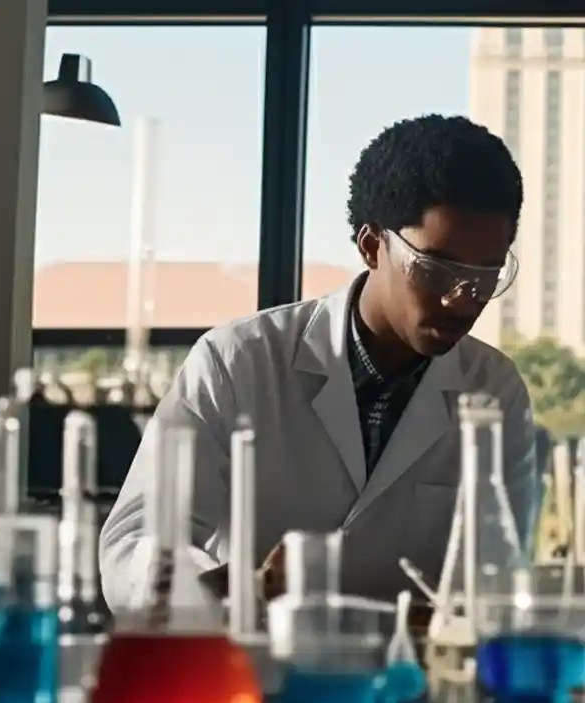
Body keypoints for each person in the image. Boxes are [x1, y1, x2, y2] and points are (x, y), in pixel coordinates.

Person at [100, 115, 538, 606]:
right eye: (436, 270)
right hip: (253, 664)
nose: (461, 300)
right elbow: (138, 541)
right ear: (372, 245)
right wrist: (224, 586)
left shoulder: (493, 390)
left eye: (485, 277)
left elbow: (500, 577)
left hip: (412, 672)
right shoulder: (237, 362)